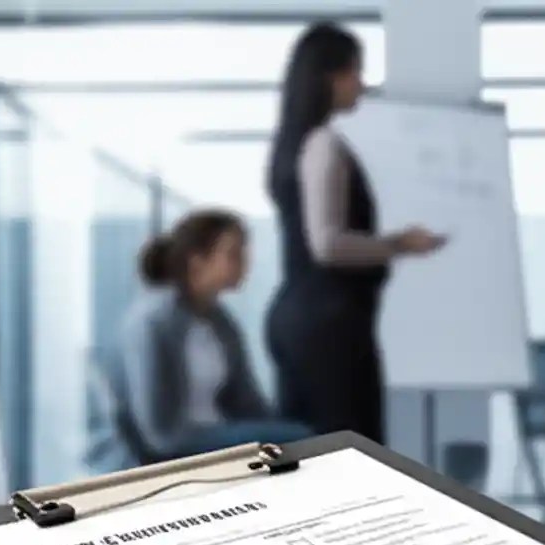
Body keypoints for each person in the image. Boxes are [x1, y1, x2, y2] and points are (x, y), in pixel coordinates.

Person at [265, 23, 444, 445]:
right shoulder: (324, 143)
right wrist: (399, 244)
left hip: (302, 319)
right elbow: (327, 243)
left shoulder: (291, 144)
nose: (361, 85)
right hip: (329, 327)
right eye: (355, 73)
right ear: (331, 76)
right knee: (352, 460)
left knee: (307, 459)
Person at [88, 210, 311, 471]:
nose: (245, 263)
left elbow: (249, 402)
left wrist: (272, 431)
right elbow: (159, 435)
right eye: (233, 254)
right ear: (197, 261)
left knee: (303, 439)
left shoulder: (218, 319)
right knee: (301, 441)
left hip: (216, 434)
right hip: (170, 448)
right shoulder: (151, 321)